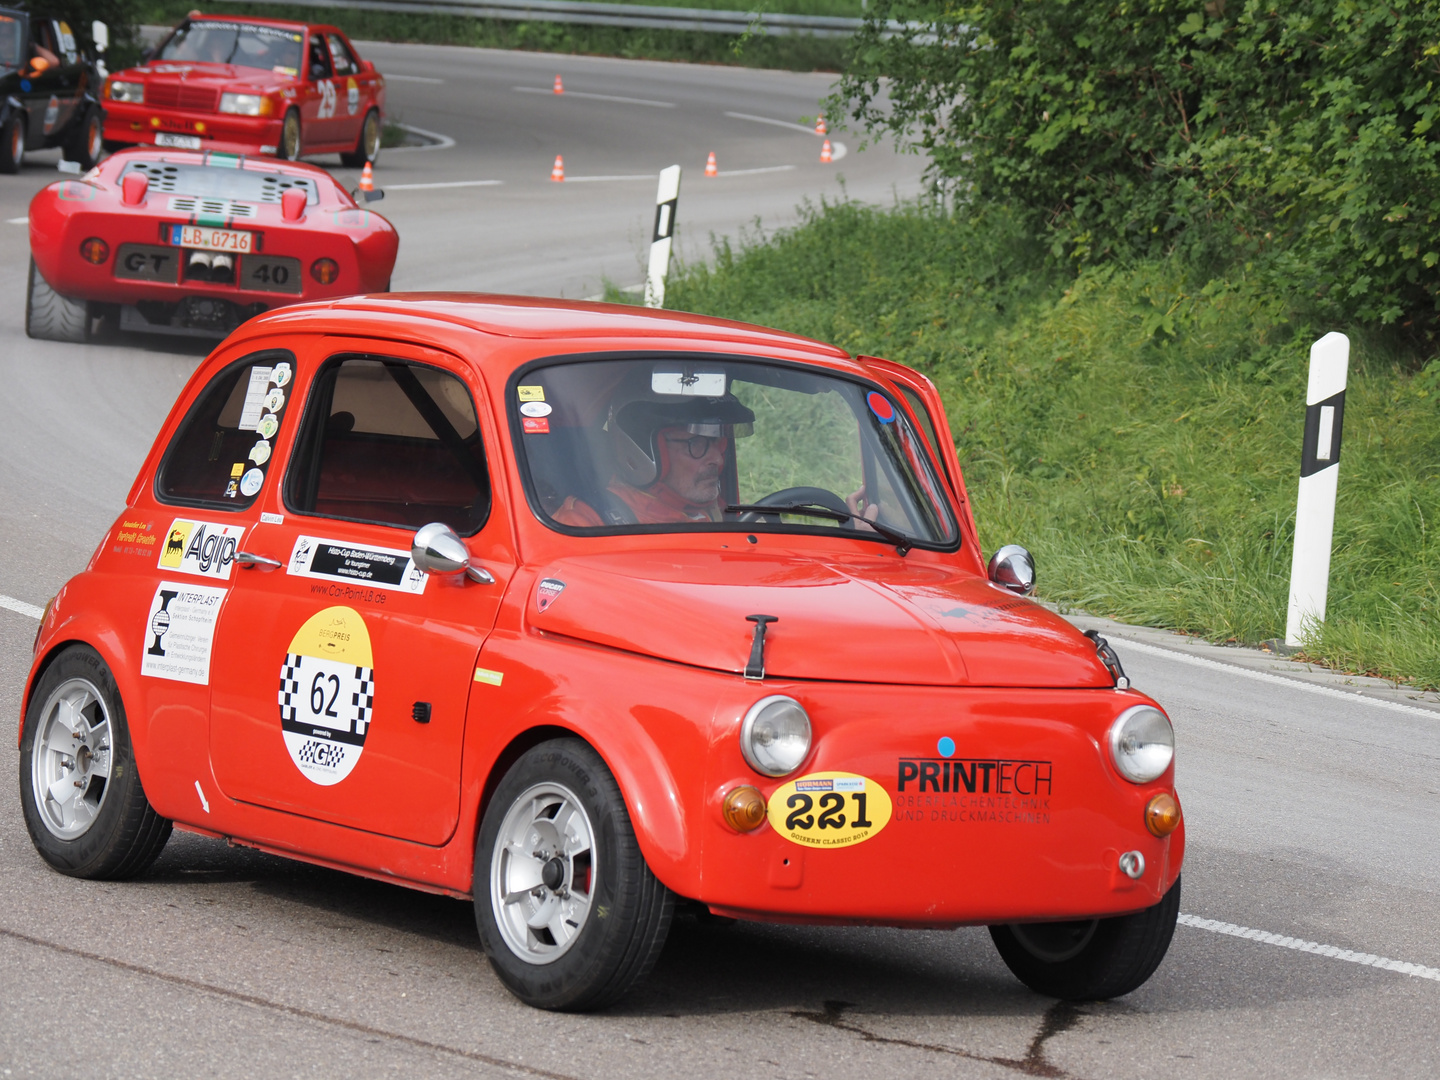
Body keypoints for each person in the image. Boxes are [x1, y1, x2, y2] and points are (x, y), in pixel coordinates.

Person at [552, 380, 755, 526]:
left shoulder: (713, 509)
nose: (718, 459)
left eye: (717, 442)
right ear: (643, 449)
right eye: (696, 443)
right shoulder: (585, 523)